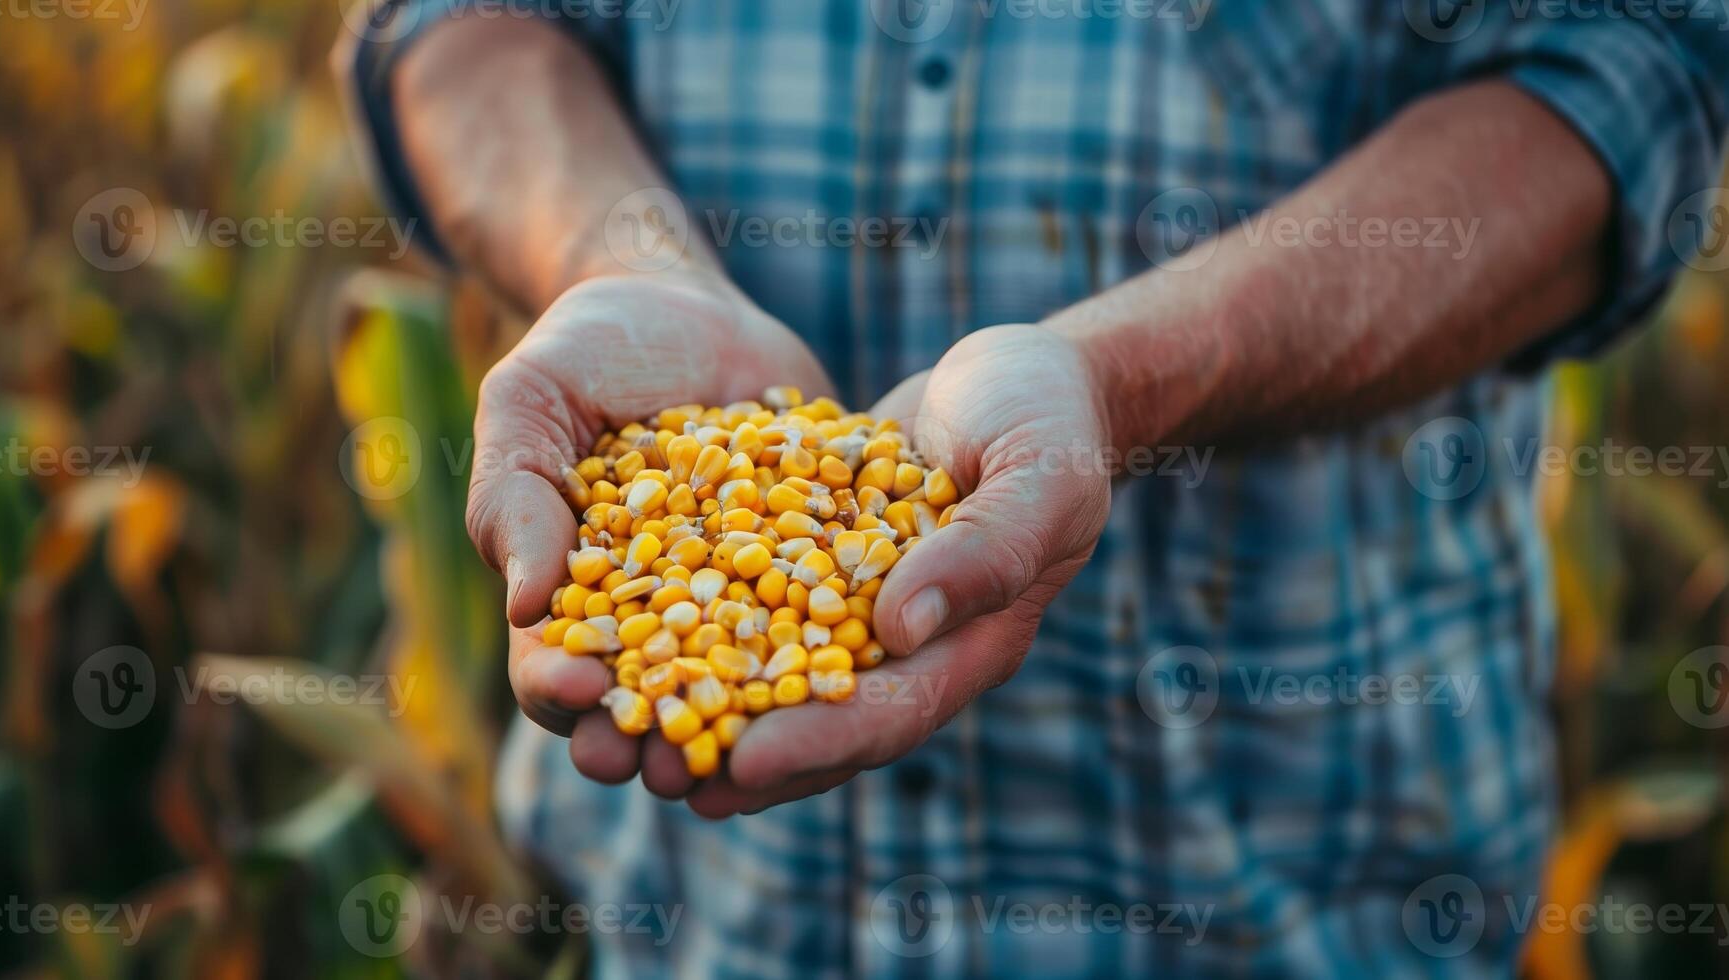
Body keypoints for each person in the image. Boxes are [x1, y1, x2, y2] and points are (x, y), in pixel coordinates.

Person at [342, 1, 1728, 973]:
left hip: (1293, 905)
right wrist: (614, 259)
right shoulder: (709, 579)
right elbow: (461, 22)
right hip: (688, 924)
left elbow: (1620, 68)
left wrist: (1121, 377)